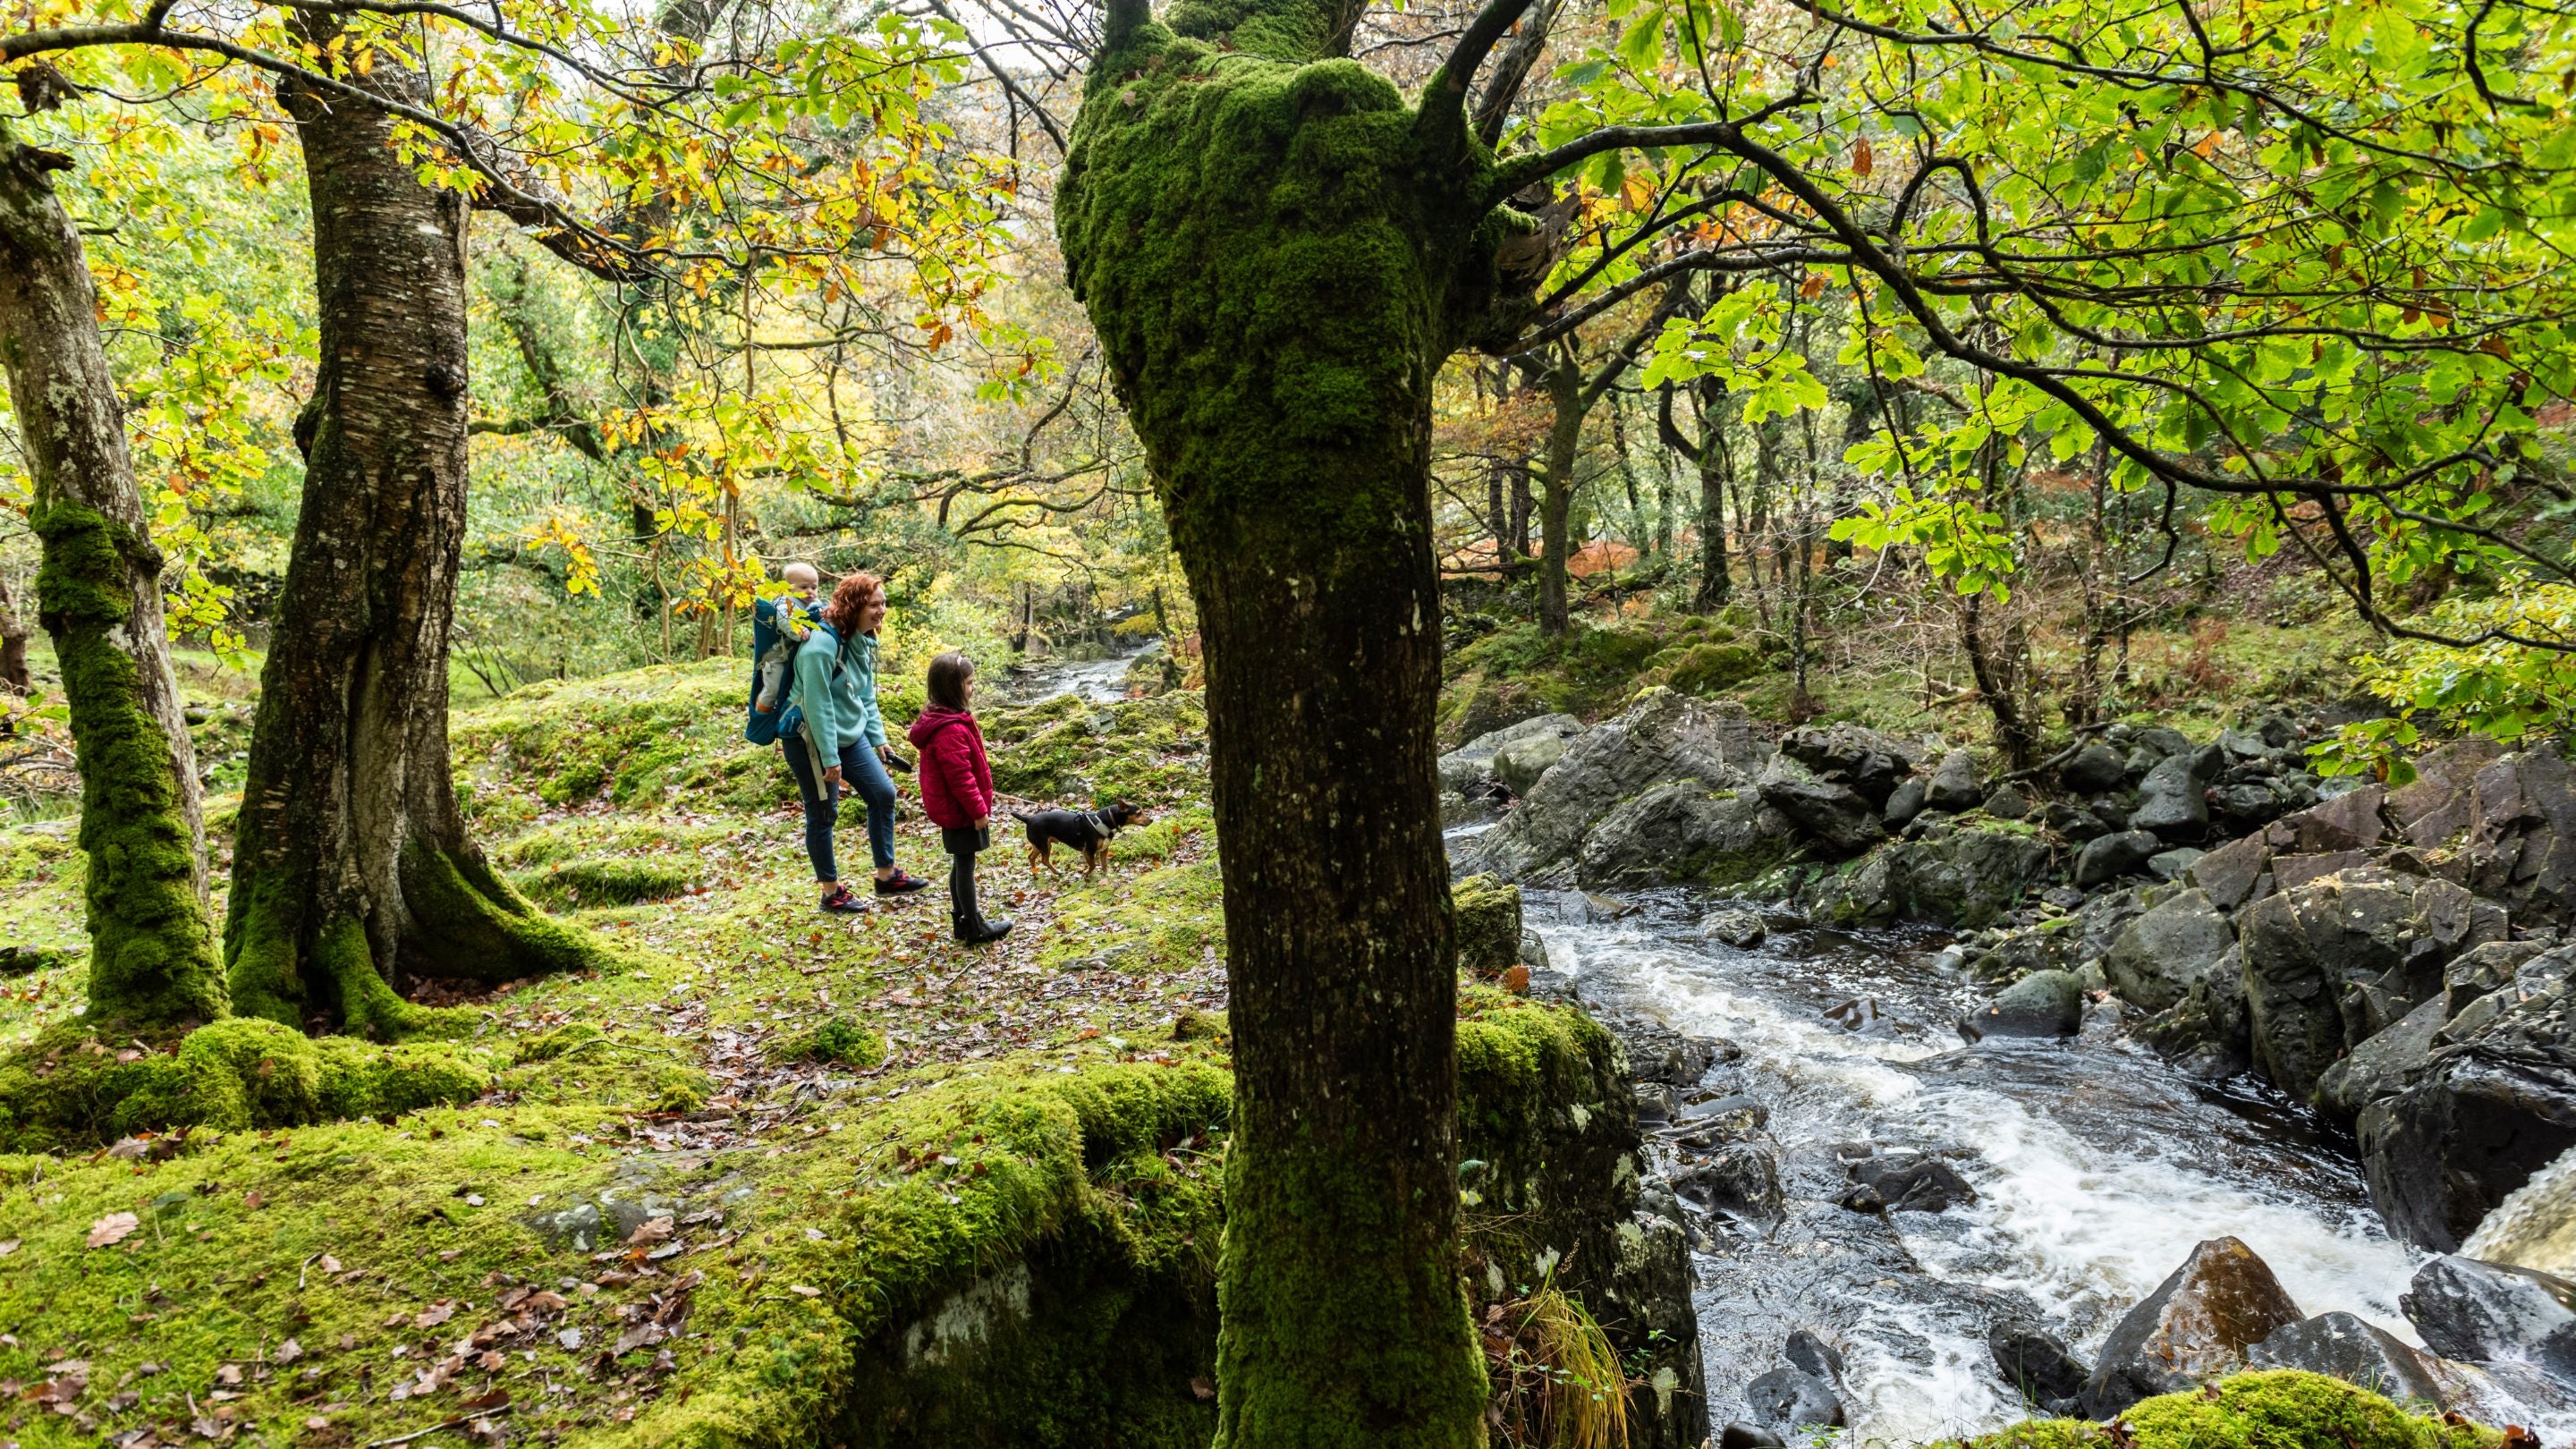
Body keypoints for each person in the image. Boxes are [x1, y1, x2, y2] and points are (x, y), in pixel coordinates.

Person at [784, 572, 929, 912]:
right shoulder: (820, 646)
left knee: (882, 794)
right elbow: (818, 706)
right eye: (874, 605)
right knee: (823, 813)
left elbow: (864, 693)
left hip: (848, 733)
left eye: (883, 603)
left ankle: (886, 876)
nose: (882, 611)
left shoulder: (858, 639)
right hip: (810, 740)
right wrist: (830, 757)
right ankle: (831, 893)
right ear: (854, 607)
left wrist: (879, 739)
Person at [908, 651, 1011, 944]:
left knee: (961, 862)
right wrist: (978, 811)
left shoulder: (946, 718)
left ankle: (962, 922)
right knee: (965, 865)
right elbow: (961, 778)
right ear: (952, 687)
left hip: (955, 809)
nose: (972, 688)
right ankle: (975, 926)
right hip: (960, 810)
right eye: (968, 683)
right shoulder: (950, 728)